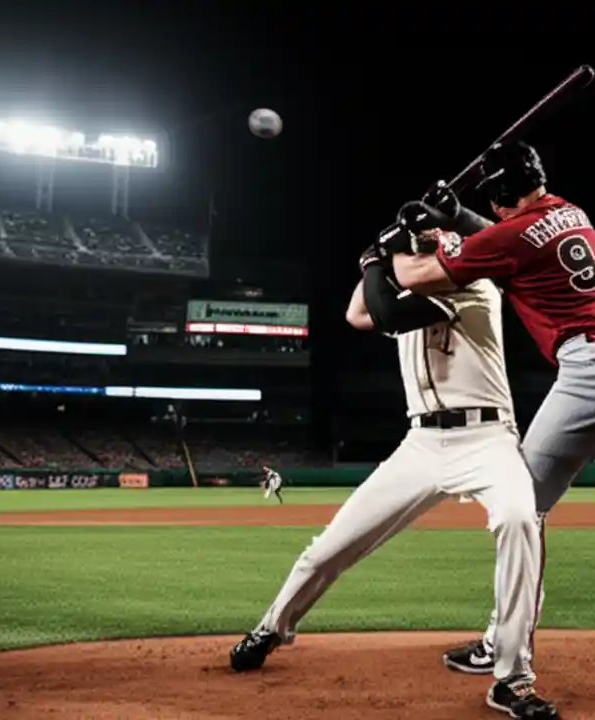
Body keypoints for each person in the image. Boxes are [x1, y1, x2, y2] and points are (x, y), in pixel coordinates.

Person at [389, 141, 595, 677]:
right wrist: (454, 216)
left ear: (499, 196)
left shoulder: (511, 234)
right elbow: (505, 234)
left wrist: (402, 241)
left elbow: (425, 276)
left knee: (522, 505)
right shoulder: (570, 210)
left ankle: (502, 643)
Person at [229, 229, 557, 720]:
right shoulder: (407, 288)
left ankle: (512, 679)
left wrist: (372, 258)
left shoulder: (474, 286)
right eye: (419, 249)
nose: (424, 256)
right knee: (333, 543)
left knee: (519, 520)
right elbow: (356, 313)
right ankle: (271, 628)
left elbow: (384, 312)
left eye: (432, 249)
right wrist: (385, 256)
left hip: (488, 437)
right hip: (421, 444)